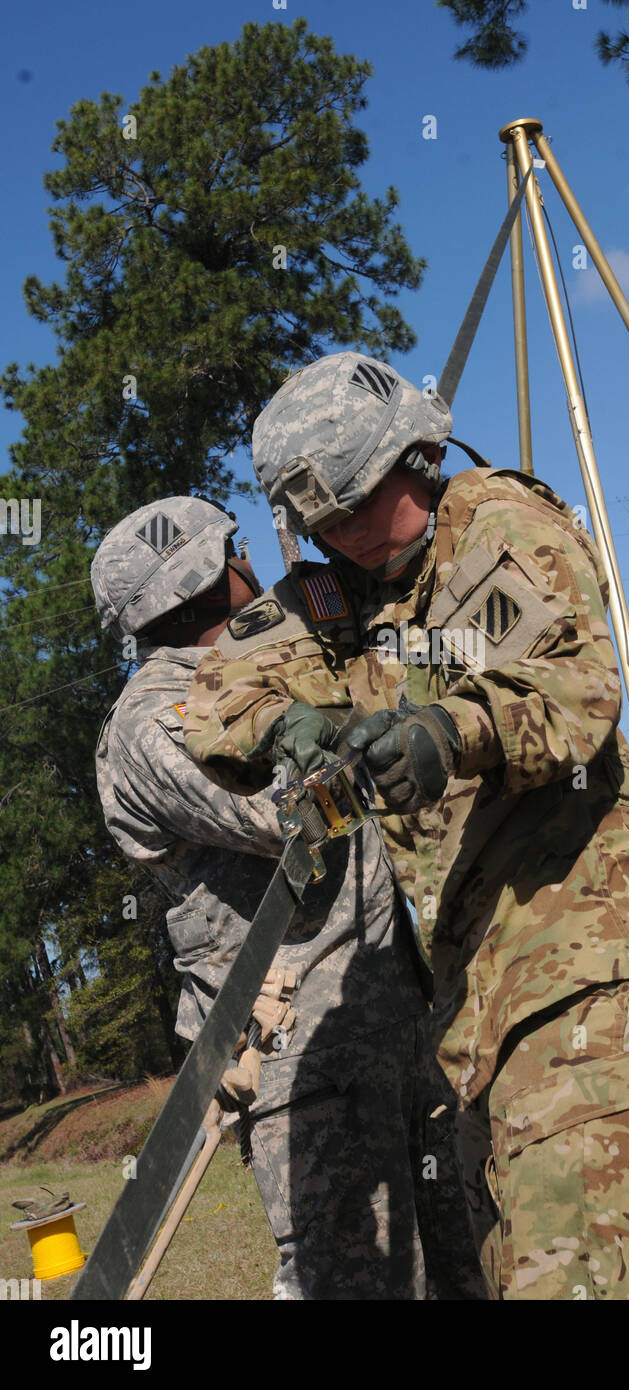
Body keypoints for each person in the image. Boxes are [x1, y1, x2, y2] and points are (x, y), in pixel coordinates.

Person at [184, 352, 629, 1301]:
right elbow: (220, 682)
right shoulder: (336, 598)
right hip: (475, 1025)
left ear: (415, 459)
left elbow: (568, 685)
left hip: (591, 982)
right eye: (318, 522)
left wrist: (449, 730)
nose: (340, 537)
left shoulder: (492, 532)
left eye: (353, 508)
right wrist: (285, 722)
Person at [91, 495, 483, 1301]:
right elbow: (296, 810)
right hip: (306, 1063)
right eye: (234, 552)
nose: (252, 566)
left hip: (393, 1023)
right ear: (204, 578)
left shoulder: (263, 672)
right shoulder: (156, 720)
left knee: (463, 1274)